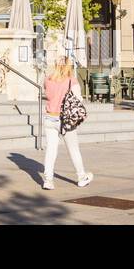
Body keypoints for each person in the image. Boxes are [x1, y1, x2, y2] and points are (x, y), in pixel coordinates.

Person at [41, 55, 93, 190]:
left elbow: (47, 95)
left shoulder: (47, 79)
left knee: (51, 150)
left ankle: (48, 180)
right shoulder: (72, 81)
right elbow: (78, 100)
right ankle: (81, 177)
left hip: (49, 117)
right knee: (73, 149)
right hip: (66, 120)